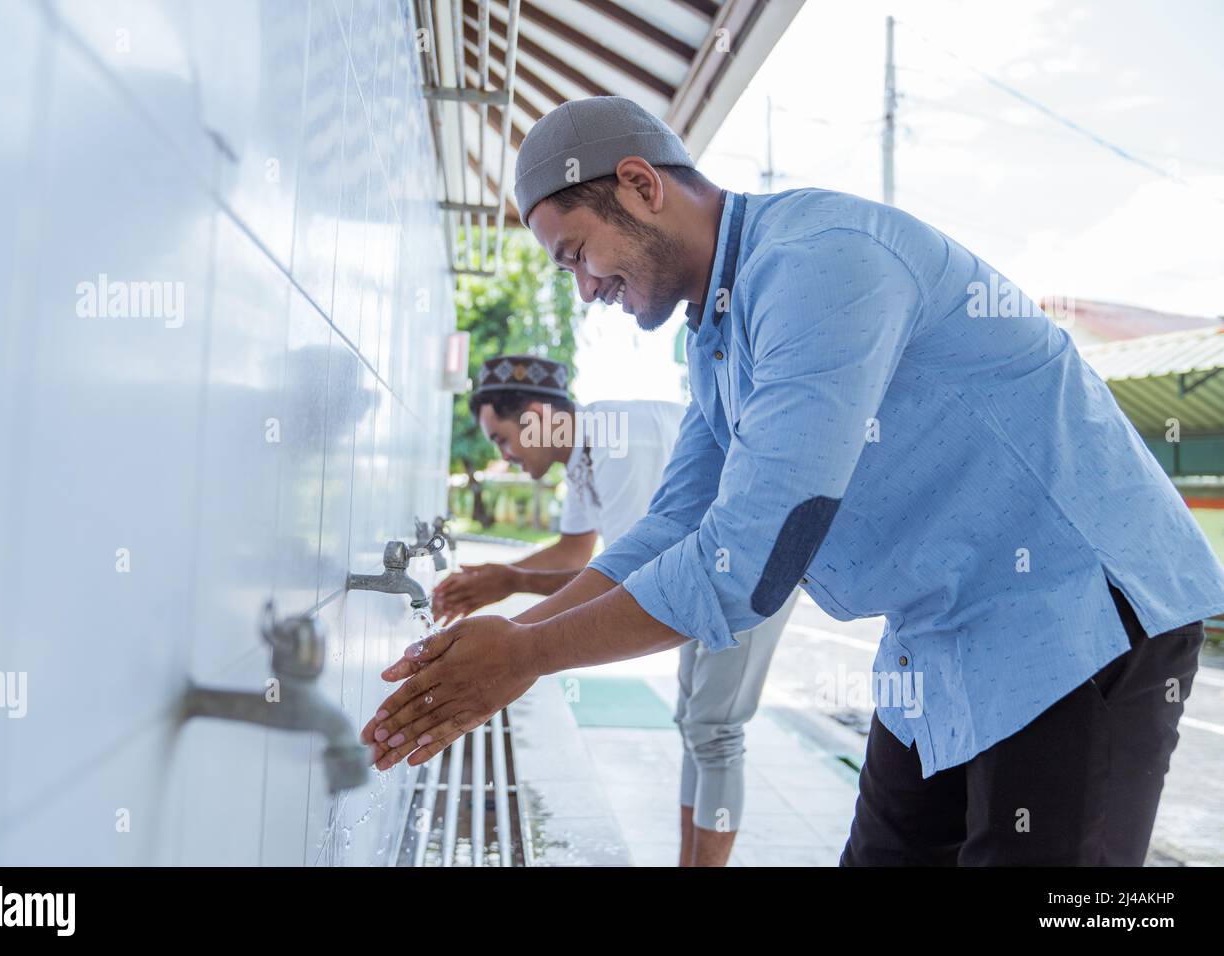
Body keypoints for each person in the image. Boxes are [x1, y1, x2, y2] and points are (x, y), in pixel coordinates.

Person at [362, 96, 1224, 865]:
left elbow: (751, 560)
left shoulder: (820, 264)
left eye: (579, 254)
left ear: (638, 184)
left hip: (1077, 617)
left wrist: (524, 654)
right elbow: (671, 529)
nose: (585, 289)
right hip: (942, 629)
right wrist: (514, 643)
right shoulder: (714, 334)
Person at [434, 354, 797, 866]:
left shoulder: (618, 438)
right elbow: (575, 555)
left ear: (537, 415)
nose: (506, 455)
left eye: (502, 438)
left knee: (714, 729)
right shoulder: (581, 455)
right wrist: (503, 587)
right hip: (705, 572)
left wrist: (513, 625)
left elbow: (627, 577)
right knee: (696, 723)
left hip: (755, 558)